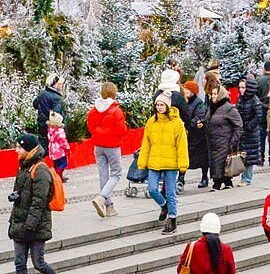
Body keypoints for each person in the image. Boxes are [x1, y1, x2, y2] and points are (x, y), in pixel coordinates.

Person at [139, 93, 188, 234]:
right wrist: (143, 161)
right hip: (155, 161)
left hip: (171, 162)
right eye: (157, 105)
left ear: (167, 106)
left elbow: (182, 144)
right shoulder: (151, 122)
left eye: (162, 105)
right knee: (152, 189)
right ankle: (164, 205)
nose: (159, 107)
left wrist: (183, 164)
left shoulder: (177, 122)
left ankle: (172, 219)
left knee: (171, 192)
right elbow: (146, 143)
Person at [86, 83, 127, 217]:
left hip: (98, 146)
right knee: (116, 174)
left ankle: (109, 206)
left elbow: (91, 128)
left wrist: (100, 133)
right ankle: (102, 198)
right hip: (112, 146)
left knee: (103, 175)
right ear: (114, 93)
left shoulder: (94, 110)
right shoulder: (116, 110)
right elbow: (122, 130)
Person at [206, 85, 244, 189]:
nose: (213, 96)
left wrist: (233, 141)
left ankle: (220, 183)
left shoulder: (229, 108)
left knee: (222, 163)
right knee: (215, 163)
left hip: (225, 142)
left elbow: (239, 125)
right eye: (212, 94)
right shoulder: (211, 107)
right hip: (213, 142)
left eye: (215, 94)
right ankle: (220, 182)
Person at [180, 81, 211, 189]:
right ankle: (181, 178)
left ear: (193, 91)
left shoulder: (198, 103)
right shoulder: (183, 102)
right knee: (184, 158)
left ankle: (204, 177)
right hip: (186, 136)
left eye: (188, 89)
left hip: (198, 137)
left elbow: (200, 117)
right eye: (185, 89)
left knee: (202, 159)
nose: (185, 91)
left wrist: (188, 124)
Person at [236, 77, 266, 187]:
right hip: (242, 131)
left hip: (251, 133)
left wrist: (248, 126)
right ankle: (244, 177)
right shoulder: (240, 99)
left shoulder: (254, 100)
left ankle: (247, 178)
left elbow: (259, 116)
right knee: (244, 154)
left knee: (249, 156)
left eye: (243, 87)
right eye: (240, 87)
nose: (241, 90)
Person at [32, 75, 65, 144]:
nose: (61, 86)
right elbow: (57, 115)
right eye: (59, 84)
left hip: (41, 123)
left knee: (43, 142)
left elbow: (35, 105)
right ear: (54, 84)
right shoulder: (56, 97)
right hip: (51, 126)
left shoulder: (42, 93)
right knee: (52, 146)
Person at [46, 112, 70, 179]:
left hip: (52, 150)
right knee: (63, 163)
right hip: (60, 150)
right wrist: (67, 147)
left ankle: (59, 177)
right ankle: (57, 175)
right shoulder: (59, 130)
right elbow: (62, 140)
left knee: (56, 164)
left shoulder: (50, 129)